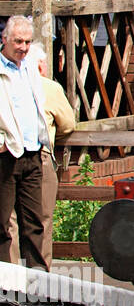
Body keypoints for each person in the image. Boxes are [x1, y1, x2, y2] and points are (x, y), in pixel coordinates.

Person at [6, 43, 76, 267]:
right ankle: (38, 282)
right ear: (40, 67)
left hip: (8, 154)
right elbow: (67, 124)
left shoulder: (6, 84)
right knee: (40, 221)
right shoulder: (49, 88)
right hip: (40, 156)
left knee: (9, 221)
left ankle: (10, 279)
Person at [0, 15, 53, 269]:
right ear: (5, 40)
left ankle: (38, 286)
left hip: (33, 152)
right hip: (6, 154)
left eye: (27, 42)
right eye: (18, 41)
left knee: (34, 223)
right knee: (2, 224)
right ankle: (4, 285)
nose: (22, 47)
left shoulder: (30, 66)